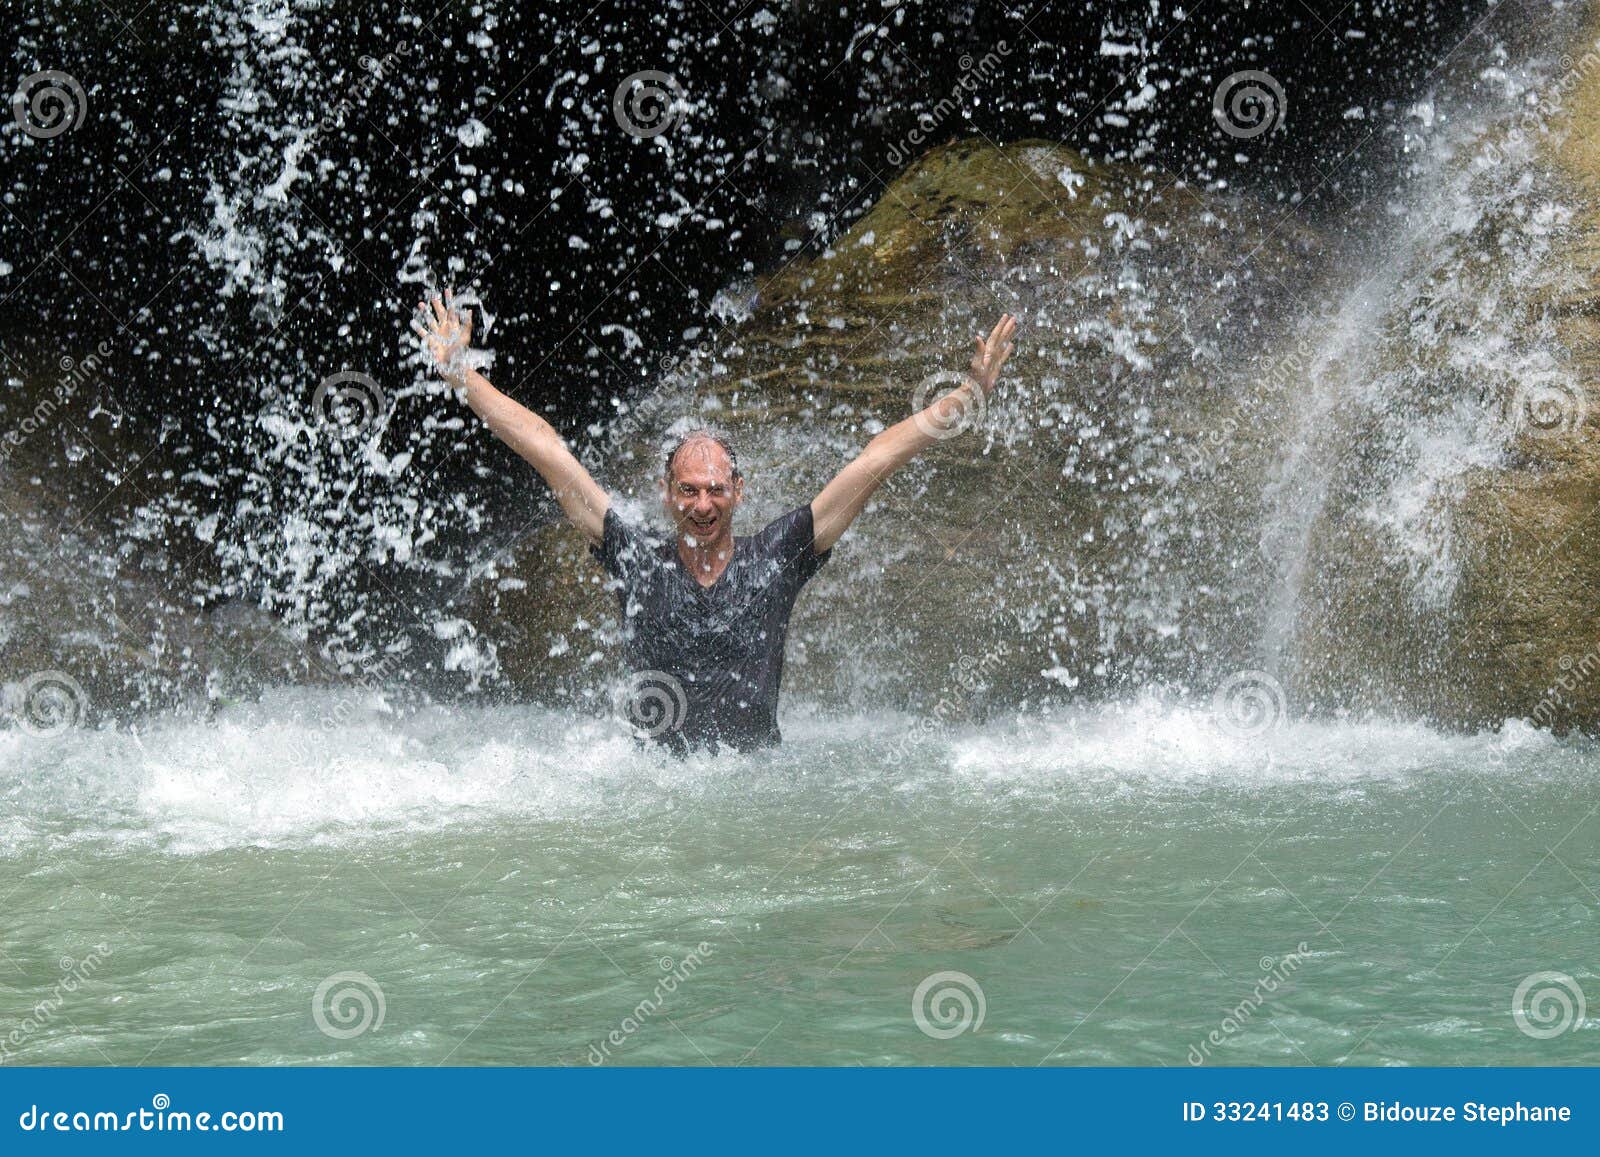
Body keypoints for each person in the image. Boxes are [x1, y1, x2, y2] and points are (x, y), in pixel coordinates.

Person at [416, 293, 1017, 753]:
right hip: (655, 789)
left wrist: (966, 395)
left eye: (714, 490)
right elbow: (549, 452)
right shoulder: (635, 555)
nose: (702, 504)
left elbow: (874, 460)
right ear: (667, 494)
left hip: (754, 787)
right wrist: (463, 376)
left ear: (737, 492)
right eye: (688, 490)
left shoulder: (779, 555)